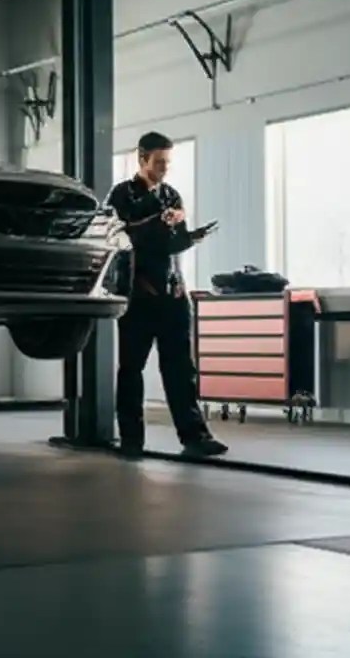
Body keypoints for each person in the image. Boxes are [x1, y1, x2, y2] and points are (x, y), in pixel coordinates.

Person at [106, 131, 228, 458]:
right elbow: (120, 236)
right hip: (139, 295)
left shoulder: (172, 194)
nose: (164, 169)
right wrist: (158, 220)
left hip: (174, 295)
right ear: (142, 158)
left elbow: (172, 243)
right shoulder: (121, 195)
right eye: (159, 162)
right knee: (131, 369)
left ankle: (195, 438)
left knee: (180, 370)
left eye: (167, 163)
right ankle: (132, 440)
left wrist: (190, 234)